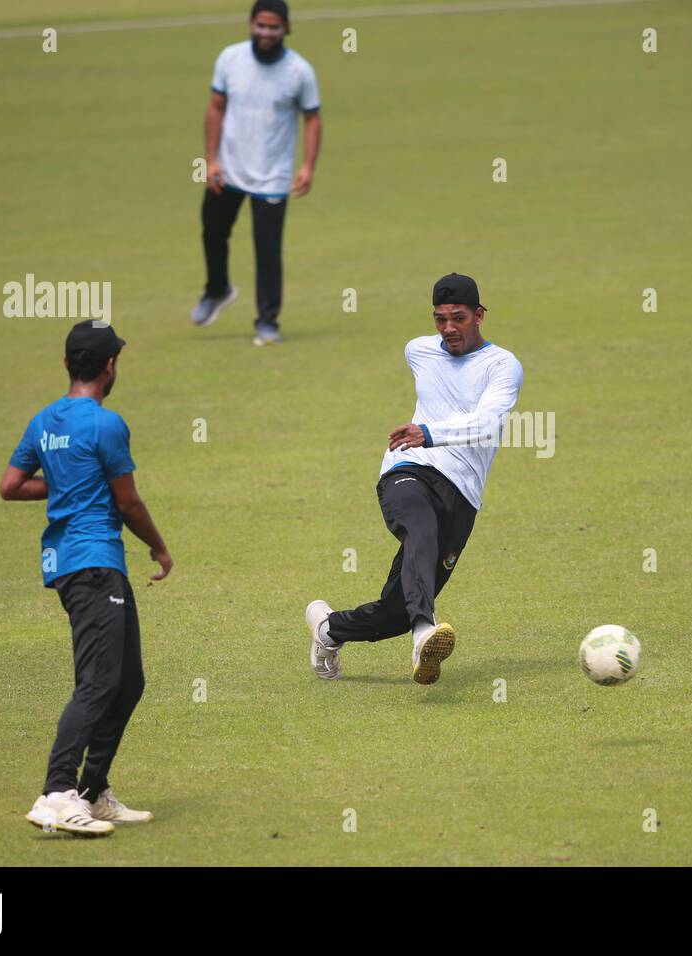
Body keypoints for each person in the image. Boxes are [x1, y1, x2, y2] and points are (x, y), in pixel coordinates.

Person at [305, 274, 524, 685]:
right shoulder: (418, 350)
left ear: (479, 316)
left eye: (458, 318)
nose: (448, 329)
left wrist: (432, 431)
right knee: (420, 528)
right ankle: (425, 631)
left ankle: (328, 630)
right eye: (440, 319)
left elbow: (489, 421)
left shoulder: (502, 365)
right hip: (407, 468)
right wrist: (423, 441)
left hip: (462, 492)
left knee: (395, 612)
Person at [1, 320, 173, 836]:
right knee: (99, 682)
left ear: (66, 365)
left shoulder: (43, 420)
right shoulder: (105, 424)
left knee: (128, 681)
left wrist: (62, 487)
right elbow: (128, 501)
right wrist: (159, 548)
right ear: (110, 366)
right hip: (94, 562)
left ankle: (93, 791)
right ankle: (57, 793)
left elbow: (11, 485)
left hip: (77, 565)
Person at [191, 0, 322, 346]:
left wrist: (308, 165)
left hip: (273, 175)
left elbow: (312, 118)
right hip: (229, 167)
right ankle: (217, 289)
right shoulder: (230, 59)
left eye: (273, 27)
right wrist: (211, 158)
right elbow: (216, 107)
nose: (266, 32)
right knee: (212, 232)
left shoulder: (299, 71)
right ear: (250, 24)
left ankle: (267, 322)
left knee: (267, 249)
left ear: (287, 28)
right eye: (260, 25)